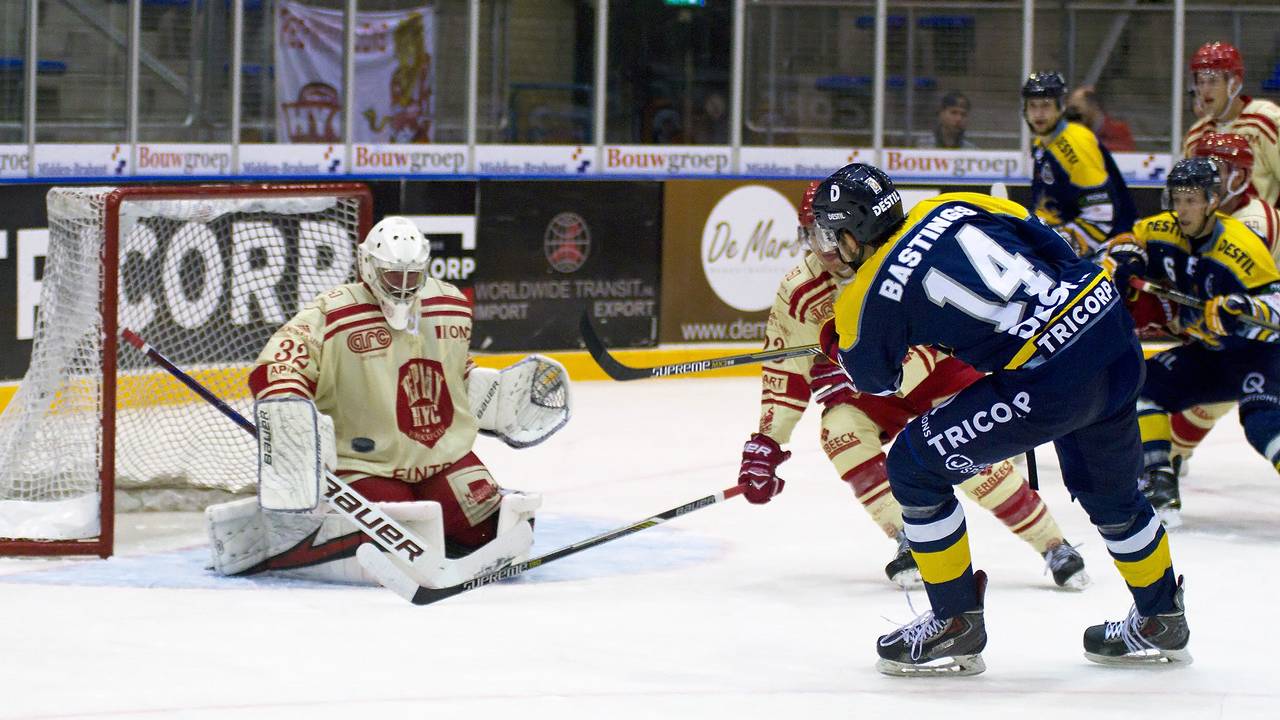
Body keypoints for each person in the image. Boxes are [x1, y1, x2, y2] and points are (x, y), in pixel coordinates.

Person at [808, 162, 1189, 675]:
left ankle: (955, 622)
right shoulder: (953, 203)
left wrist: (836, 343)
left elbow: (877, 381)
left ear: (855, 232)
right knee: (1112, 494)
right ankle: (1161, 615)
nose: (833, 247)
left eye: (835, 234)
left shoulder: (865, 295)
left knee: (916, 466)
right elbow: (1054, 244)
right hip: (1109, 331)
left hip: (1052, 380)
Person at [738, 181, 1088, 591]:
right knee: (840, 430)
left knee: (963, 458)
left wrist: (851, 371)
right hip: (877, 387)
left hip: (944, 376)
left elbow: (934, 343)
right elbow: (785, 368)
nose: (825, 249)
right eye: (814, 236)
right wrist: (767, 443)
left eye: (833, 236)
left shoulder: (902, 260)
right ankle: (909, 538)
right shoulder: (800, 291)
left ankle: (1052, 543)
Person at [203, 217, 571, 586]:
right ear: (368, 266)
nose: (405, 287)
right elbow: (276, 365)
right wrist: (289, 408)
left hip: (440, 457)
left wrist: (494, 397)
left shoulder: (451, 305)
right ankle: (284, 543)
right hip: (364, 463)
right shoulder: (332, 312)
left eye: (414, 276)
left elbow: (455, 372)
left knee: (496, 533)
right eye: (395, 276)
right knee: (402, 545)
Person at [1106, 158, 1280, 530]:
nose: (1182, 209)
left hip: (1258, 355)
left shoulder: (1240, 246)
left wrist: (1244, 308)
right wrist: (1128, 259)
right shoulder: (1163, 230)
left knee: (1264, 425)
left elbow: (1277, 308)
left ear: (1212, 200)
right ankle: (1160, 481)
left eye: (1192, 200)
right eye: (1177, 198)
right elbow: (1126, 239)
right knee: (1140, 385)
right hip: (1210, 356)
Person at [1156, 134, 1280, 472]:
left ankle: (1171, 461)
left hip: (1264, 334)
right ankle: (1170, 462)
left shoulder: (1251, 222)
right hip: (1247, 334)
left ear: (1238, 177)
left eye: (1218, 169)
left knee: (1258, 415)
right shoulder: (1206, 219)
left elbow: (1236, 297)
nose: (1206, 175)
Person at [1022, 72, 1137, 258]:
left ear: (1061, 106)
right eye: (1033, 106)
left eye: (1046, 106)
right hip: (1070, 238)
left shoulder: (1075, 142)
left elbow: (1101, 214)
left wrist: (1056, 246)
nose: (1038, 113)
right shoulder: (1041, 144)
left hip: (1109, 247)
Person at [1183, 42, 1280, 207]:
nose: (1205, 90)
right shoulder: (1196, 136)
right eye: (1200, 82)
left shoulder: (1266, 121)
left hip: (1263, 228)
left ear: (1234, 84)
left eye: (1212, 81)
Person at [1065, 85, 1136, 152]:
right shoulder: (1072, 132)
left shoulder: (1119, 130)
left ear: (1093, 106)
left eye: (1077, 108)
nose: (1074, 114)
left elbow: (1126, 154)